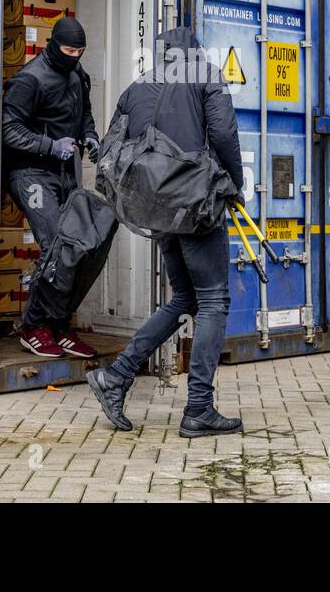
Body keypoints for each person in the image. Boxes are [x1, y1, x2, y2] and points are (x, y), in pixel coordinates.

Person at [86, 26, 246, 438]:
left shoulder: (137, 87)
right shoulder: (206, 76)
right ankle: (198, 409)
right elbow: (225, 135)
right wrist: (236, 185)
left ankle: (116, 377)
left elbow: (110, 146)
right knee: (213, 300)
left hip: (155, 210)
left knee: (186, 298)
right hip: (194, 206)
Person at [1, 16, 101, 358]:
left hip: (65, 172)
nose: (74, 56)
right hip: (30, 172)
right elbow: (9, 131)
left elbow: (84, 113)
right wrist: (49, 145)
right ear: (53, 44)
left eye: (80, 51)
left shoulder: (77, 75)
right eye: (69, 50)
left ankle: (58, 326)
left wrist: (90, 136)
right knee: (57, 245)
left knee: (81, 248)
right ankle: (33, 327)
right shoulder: (30, 79)